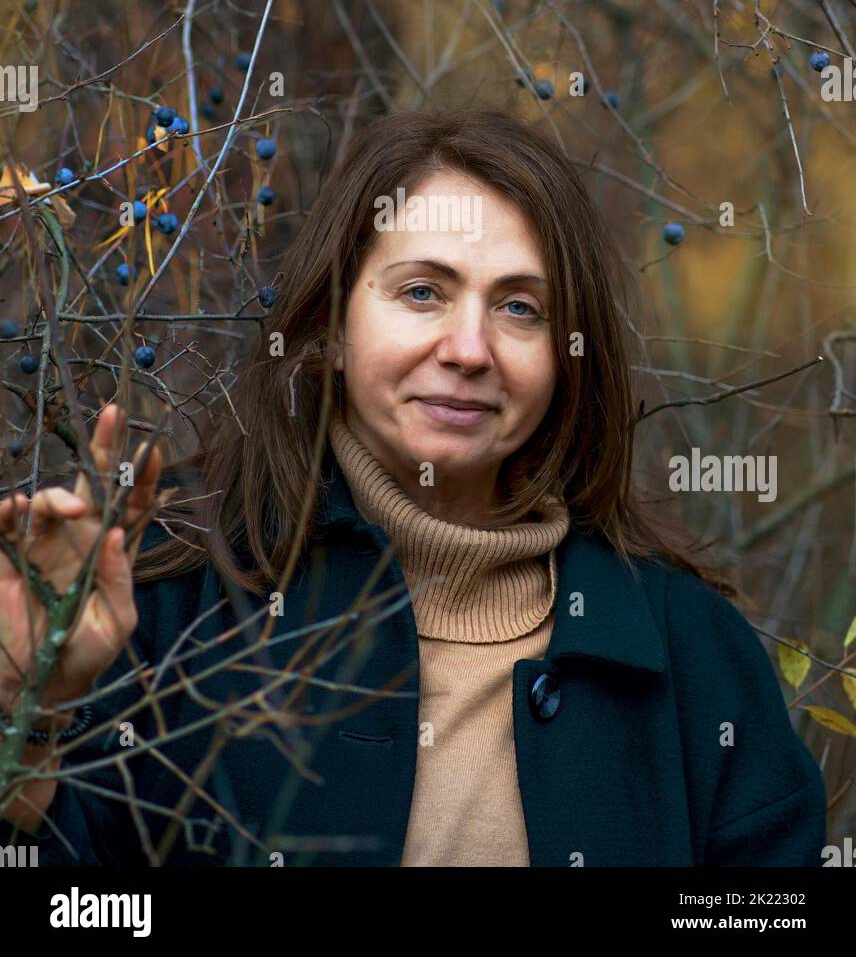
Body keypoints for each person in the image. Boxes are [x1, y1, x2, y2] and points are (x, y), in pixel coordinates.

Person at [0, 108, 826, 867]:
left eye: (520, 309)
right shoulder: (165, 601)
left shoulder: (690, 653)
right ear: (330, 327)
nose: (469, 349)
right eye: (422, 292)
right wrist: (28, 710)